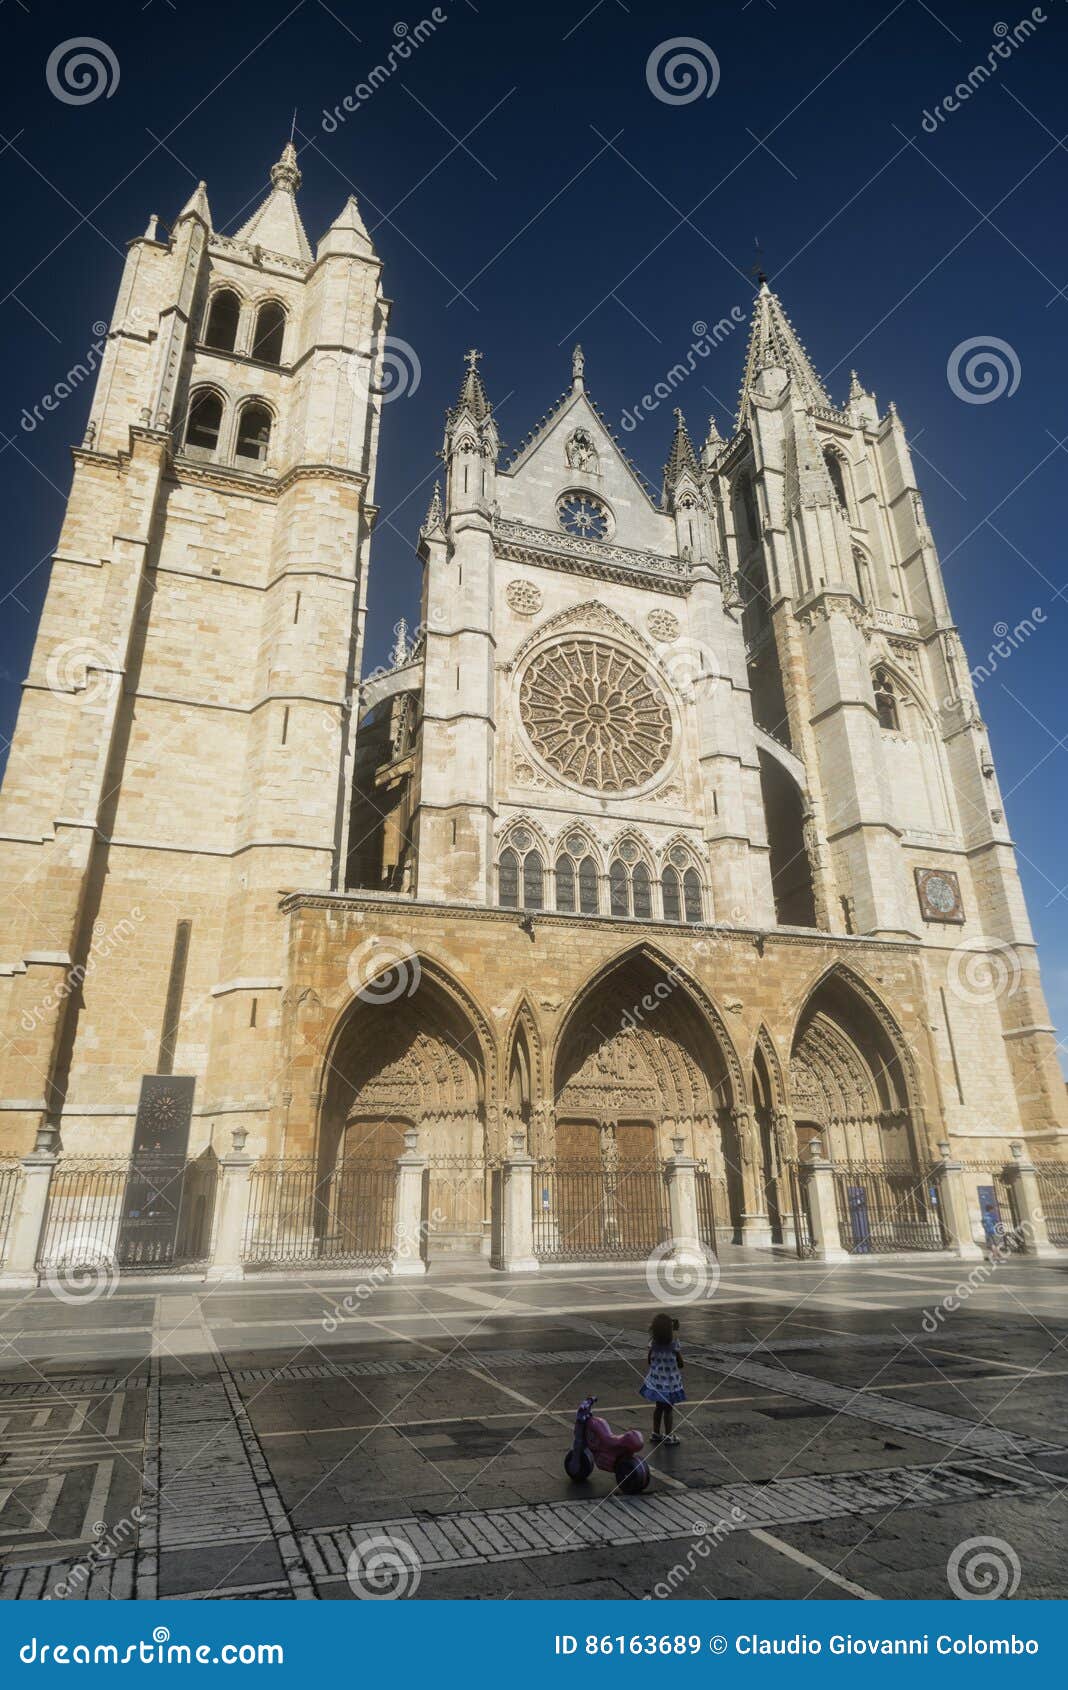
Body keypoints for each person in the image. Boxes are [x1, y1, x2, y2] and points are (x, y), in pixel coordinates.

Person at [640, 1312, 685, 1446]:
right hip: (670, 1383)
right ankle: (669, 1435)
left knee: (658, 1408)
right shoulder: (674, 1344)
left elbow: (649, 1360)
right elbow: (681, 1363)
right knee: (669, 1409)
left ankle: (656, 1433)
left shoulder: (652, 1344)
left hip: (657, 1383)